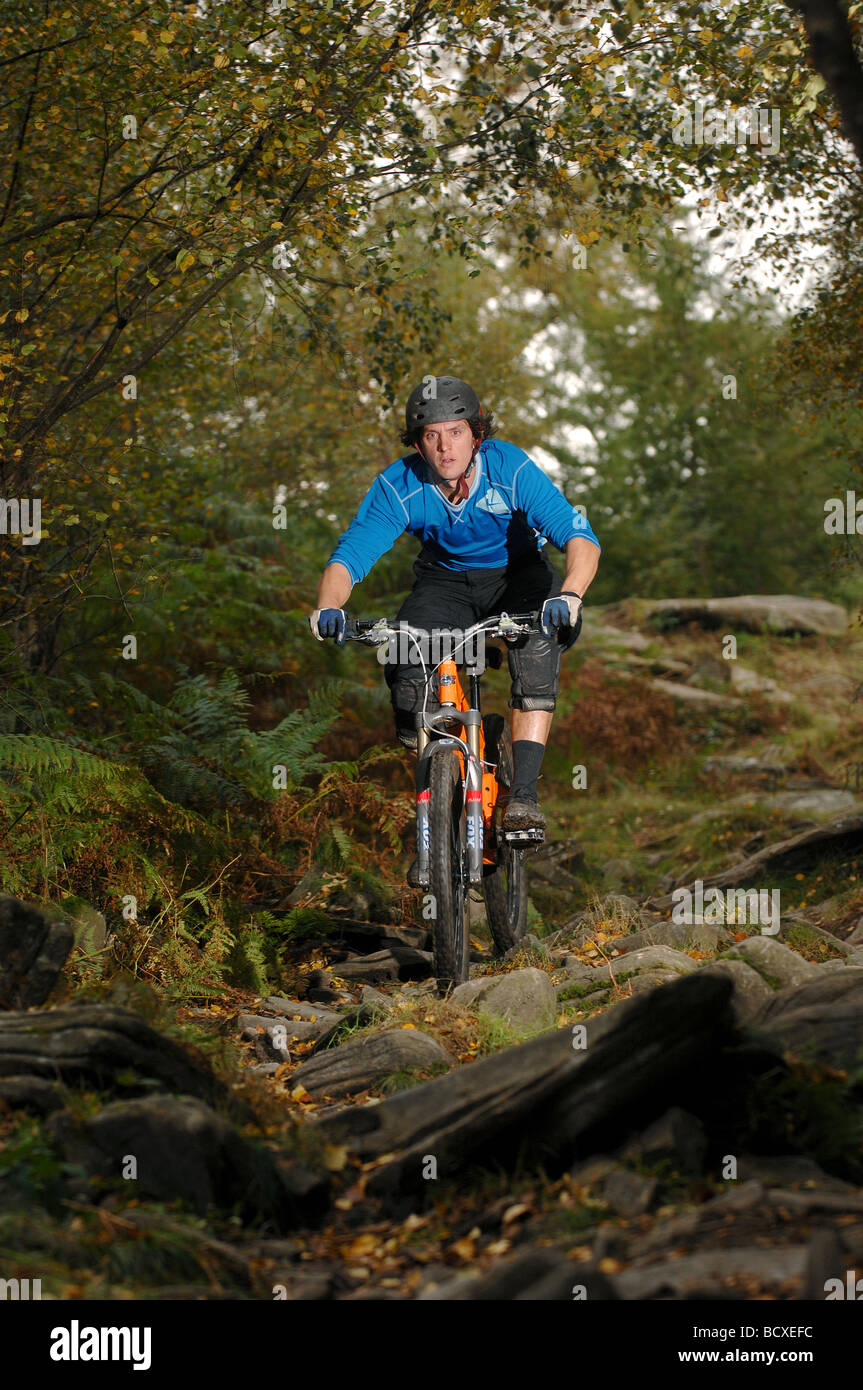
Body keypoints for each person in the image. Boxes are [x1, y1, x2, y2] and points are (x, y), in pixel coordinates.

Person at [309, 374, 600, 840]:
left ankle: (523, 796)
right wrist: (329, 607)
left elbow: (580, 538)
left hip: (519, 574)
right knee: (407, 661)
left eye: (456, 431)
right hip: (445, 581)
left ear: (477, 434)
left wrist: (570, 595)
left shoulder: (511, 468)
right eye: (432, 435)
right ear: (419, 445)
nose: (446, 447)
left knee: (534, 653)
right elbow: (349, 558)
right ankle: (445, 789)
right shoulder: (398, 485)